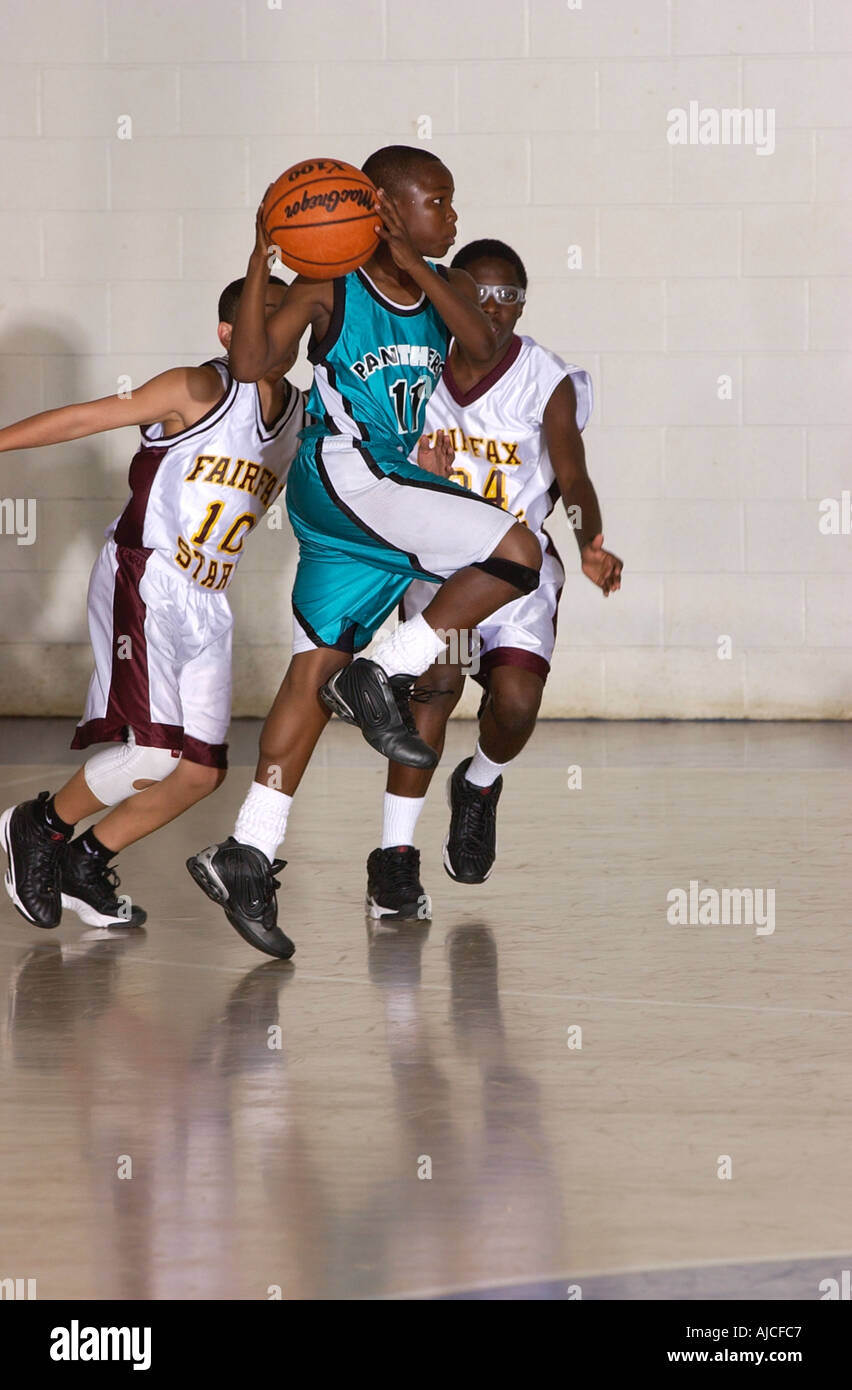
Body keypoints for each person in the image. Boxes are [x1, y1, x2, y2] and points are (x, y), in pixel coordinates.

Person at [187, 146, 544, 961]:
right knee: (516, 549)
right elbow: (251, 363)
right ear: (383, 202)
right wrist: (256, 261)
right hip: (346, 473)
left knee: (314, 671)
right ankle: (382, 673)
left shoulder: (434, 287)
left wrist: (412, 253)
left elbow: (485, 346)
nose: (453, 217)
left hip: (370, 507)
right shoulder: (327, 286)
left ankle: (247, 848)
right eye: (439, 201)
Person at [1, 277, 303, 931]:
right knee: (154, 756)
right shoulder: (198, 388)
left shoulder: (302, 414)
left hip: (208, 600)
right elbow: (86, 418)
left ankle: (86, 863)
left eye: (290, 317)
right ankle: (38, 826)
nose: (278, 330)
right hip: (146, 577)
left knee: (200, 773)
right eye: (263, 317)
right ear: (229, 333)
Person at [364, 239, 622, 919]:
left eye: (511, 295)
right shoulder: (414, 367)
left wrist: (588, 537)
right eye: (481, 292)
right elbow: (373, 464)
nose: (496, 308)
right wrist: (419, 466)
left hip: (518, 572)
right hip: (442, 569)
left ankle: (479, 787)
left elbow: (574, 475)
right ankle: (393, 860)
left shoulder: (546, 378)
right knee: (431, 695)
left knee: (514, 705)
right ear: (450, 294)